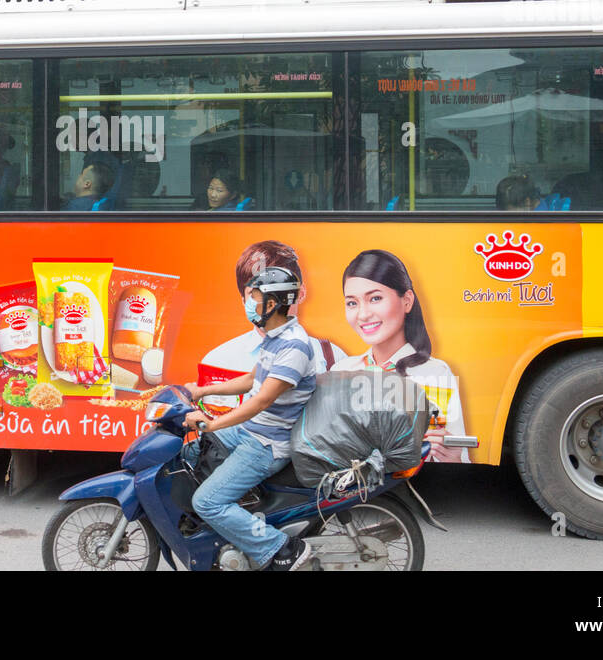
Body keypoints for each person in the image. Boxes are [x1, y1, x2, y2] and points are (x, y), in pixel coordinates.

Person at [181, 266, 317, 571]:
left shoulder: (295, 345)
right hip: (250, 431)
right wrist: (203, 390)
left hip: (266, 444)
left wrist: (214, 423)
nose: (248, 304)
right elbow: (252, 380)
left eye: (253, 298)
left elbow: (262, 400)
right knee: (189, 454)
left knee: (208, 502)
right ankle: (208, 529)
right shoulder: (276, 337)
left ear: (271, 304)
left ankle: (281, 548)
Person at [333, 250, 469, 462]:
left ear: (407, 301)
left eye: (375, 298)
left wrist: (452, 458)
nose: (363, 314)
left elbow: (460, 458)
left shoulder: (434, 373)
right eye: (352, 302)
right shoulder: (341, 371)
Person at [197, 240, 345, 415]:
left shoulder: (332, 357)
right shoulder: (218, 361)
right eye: (256, 294)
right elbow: (208, 433)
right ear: (243, 301)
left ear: (301, 292)